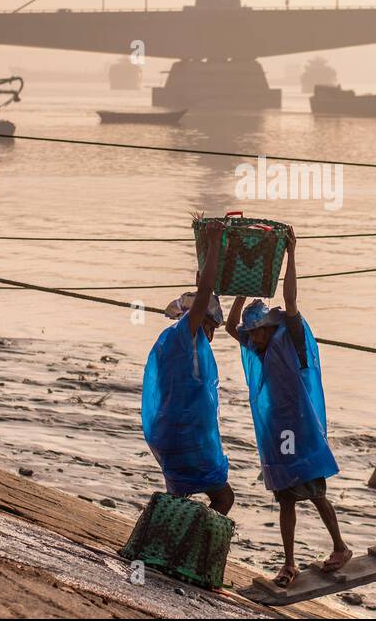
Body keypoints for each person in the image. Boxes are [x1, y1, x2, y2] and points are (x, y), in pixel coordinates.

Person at [226, 227, 350, 586]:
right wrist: (243, 290)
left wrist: (291, 256)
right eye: (252, 334)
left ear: (268, 328)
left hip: (302, 428)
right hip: (278, 432)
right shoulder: (258, 349)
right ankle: (289, 563)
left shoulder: (290, 337)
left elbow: (291, 299)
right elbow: (233, 326)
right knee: (285, 499)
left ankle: (340, 546)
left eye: (258, 331)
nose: (252, 337)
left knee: (314, 491)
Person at [140, 222, 235, 515]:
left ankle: (167, 545)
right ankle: (193, 545)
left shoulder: (172, 339)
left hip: (168, 433)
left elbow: (203, 287)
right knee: (223, 499)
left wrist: (207, 262)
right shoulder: (187, 334)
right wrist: (217, 242)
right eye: (212, 325)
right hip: (188, 436)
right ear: (202, 321)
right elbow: (205, 290)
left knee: (179, 498)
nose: (213, 333)